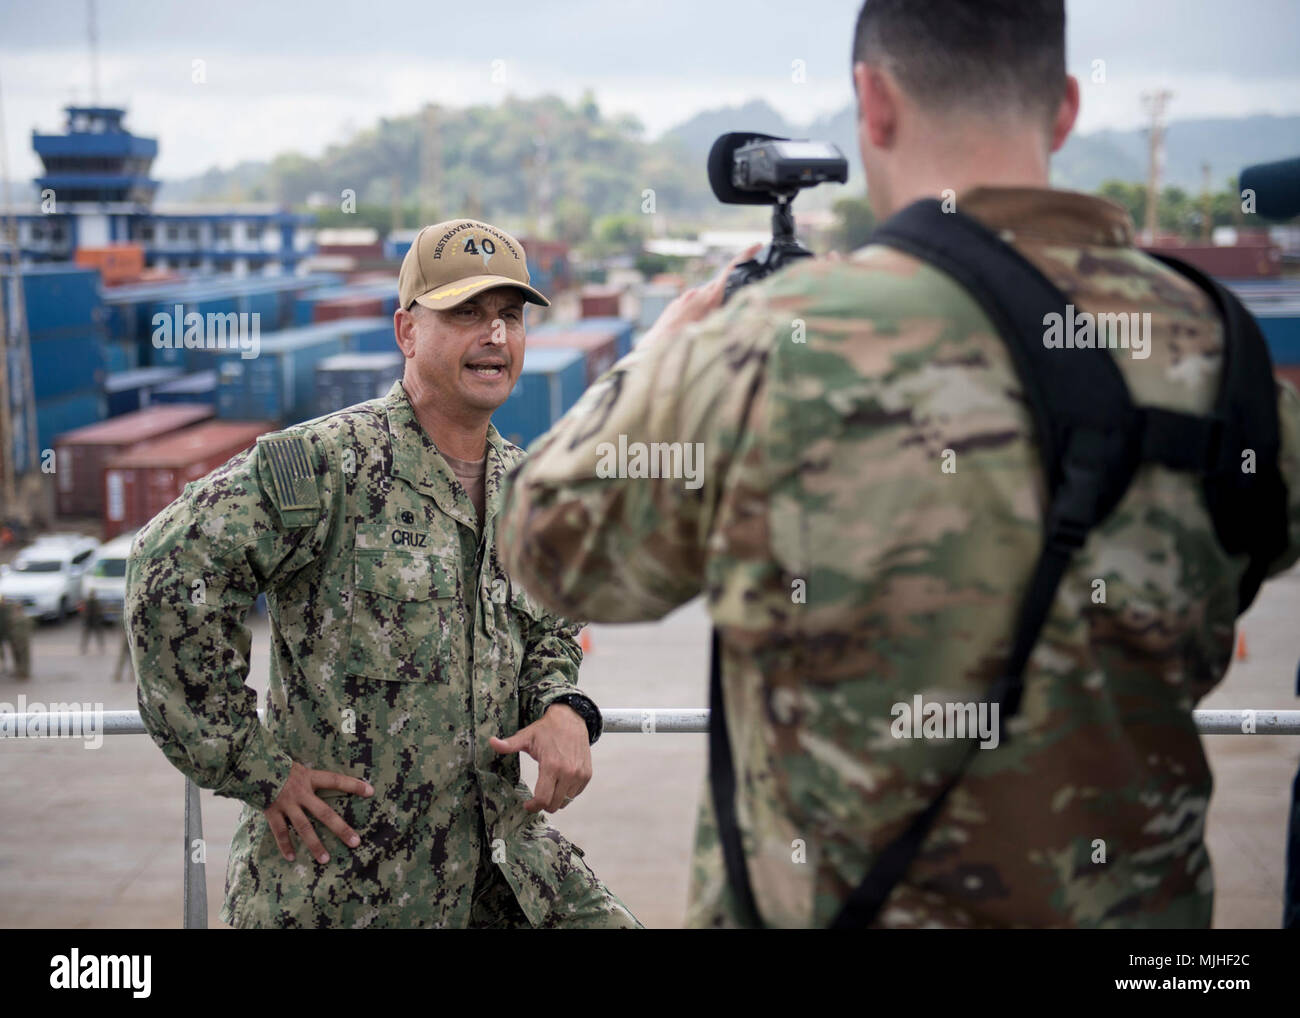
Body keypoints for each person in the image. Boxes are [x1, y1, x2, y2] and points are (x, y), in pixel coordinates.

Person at [499, 0, 1300, 928]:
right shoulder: (1221, 346)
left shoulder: (771, 343)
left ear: (872, 104)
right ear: (1067, 107)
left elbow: (546, 548)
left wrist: (660, 356)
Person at [126, 218, 639, 929]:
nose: (495, 335)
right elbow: (166, 572)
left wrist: (562, 705)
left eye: (510, 316)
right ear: (407, 332)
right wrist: (255, 767)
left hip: (500, 868)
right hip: (345, 887)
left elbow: (550, 623)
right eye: (465, 313)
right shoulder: (325, 467)